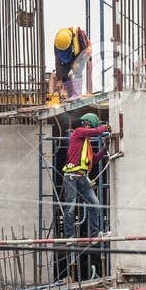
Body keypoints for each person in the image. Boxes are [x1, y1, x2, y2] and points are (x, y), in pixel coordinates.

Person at [60, 112, 115, 278]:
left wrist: (105, 148)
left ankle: (95, 234)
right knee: (70, 207)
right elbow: (96, 131)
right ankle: (69, 236)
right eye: (91, 127)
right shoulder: (78, 132)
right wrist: (106, 127)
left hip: (82, 177)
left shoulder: (86, 145)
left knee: (95, 205)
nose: (89, 129)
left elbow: (94, 159)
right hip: (71, 176)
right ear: (88, 125)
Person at [50, 26, 93, 100]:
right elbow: (58, 62)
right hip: (70, 56)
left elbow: (85, 51)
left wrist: (78, 62)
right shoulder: (58, 41)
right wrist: (59, 78)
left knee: (77, 69)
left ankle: (77, 94)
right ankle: (71, 95)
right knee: (62, 75)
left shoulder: (79, 35)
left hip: (83, 53)